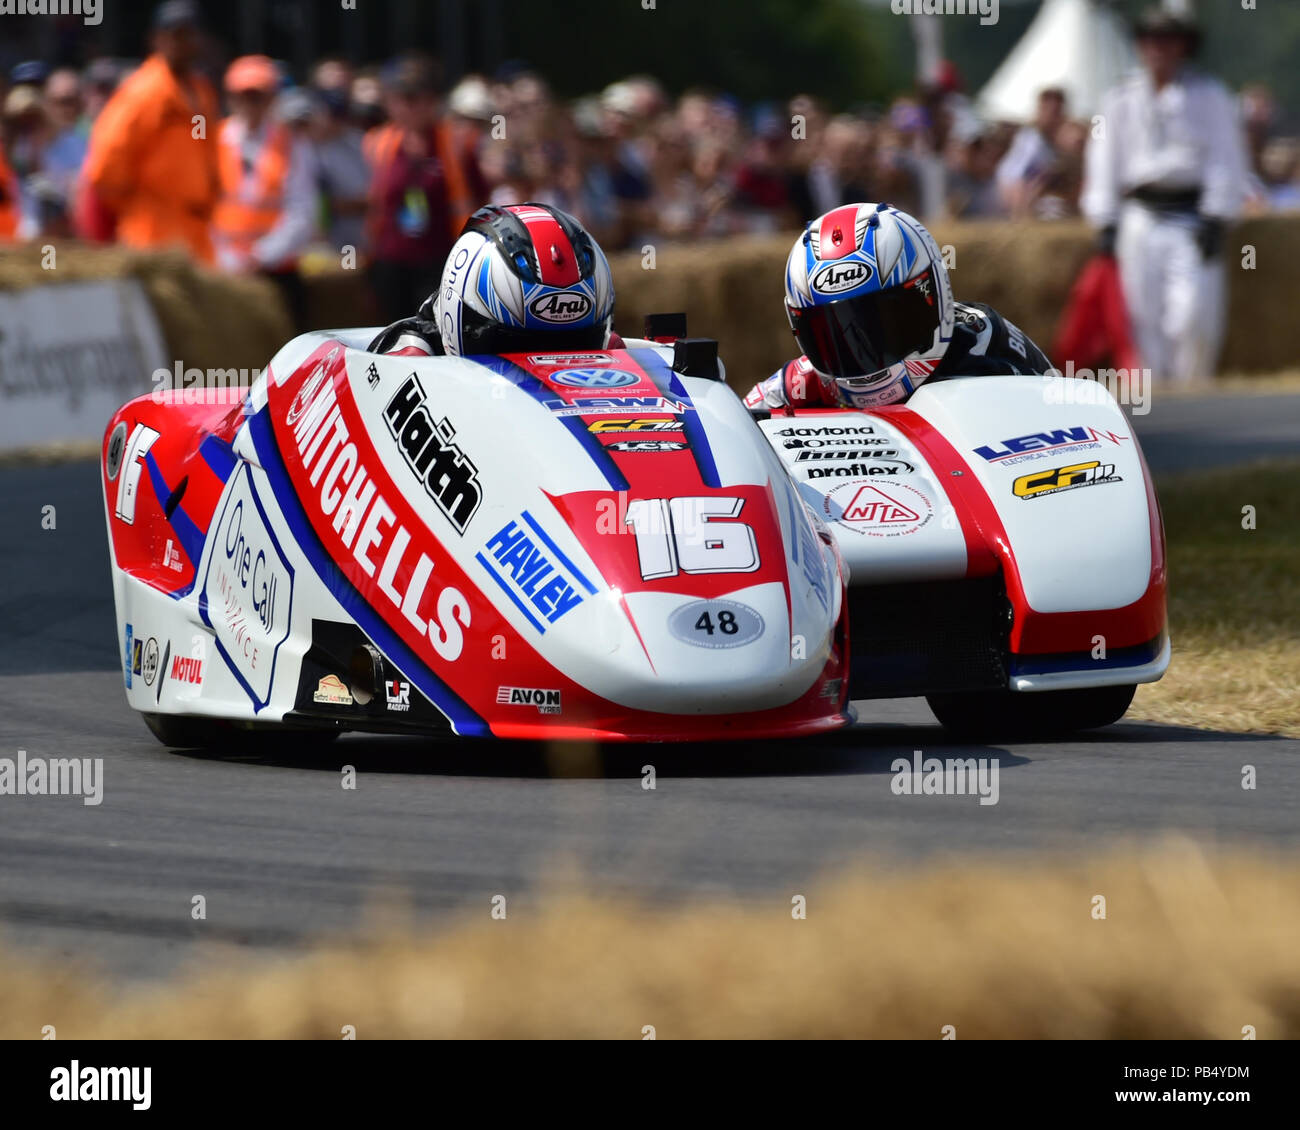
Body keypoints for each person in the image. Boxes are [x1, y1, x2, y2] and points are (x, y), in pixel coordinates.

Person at [744, 201, 1051, 413]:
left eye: (885, 322)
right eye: (835, 334)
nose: (863, 347)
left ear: (932, 292)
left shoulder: (986, 348)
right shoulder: (799, 384)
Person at [1081, 7, 1249, 385]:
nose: (1157, 48)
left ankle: (1192, 386)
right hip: (1139, 217)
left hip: (1192, 217)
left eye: (1167, 40)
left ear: (1184, 46)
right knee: (1141, 312)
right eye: (1149, 39)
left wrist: (1217, 217)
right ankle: (1154, 394)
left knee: (1194, 310)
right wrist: (1104, 219)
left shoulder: (1209, 95)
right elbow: (1103, 160)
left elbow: (1227, 157)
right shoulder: (1120, 98)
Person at [368, 201, 617, 360]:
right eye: (521, 347)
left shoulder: (614, 349)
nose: (549, 366)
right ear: (461, 319)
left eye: (575, 345)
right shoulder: (407, 360)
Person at [81, 0, 220, 262]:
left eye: (189, 34)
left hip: (196, 230)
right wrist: (135, 205)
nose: (183, 43)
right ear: (157, 39)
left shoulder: (201, 92)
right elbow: (108, 162)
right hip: (152, 230)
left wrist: (208, 191)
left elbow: (205, 145)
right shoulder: (143, 92)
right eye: (175, 35)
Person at [364, 55, 485, 324]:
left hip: (443, 263)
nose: (409, 106)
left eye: (416, 98)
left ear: (433, 101)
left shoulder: (456, 144)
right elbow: (373, 205)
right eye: (400, 98)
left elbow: (479, 198)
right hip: (390, 262)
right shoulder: (378, 142)